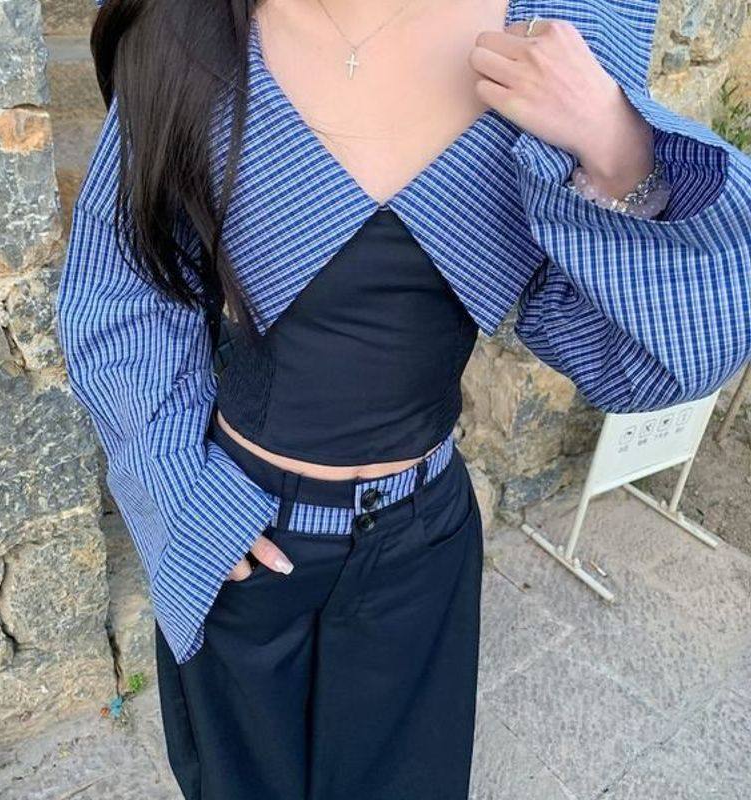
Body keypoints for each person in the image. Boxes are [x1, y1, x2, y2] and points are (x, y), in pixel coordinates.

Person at [55, 0, 751, 797]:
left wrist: (618, 148)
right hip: (235, 534)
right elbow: (120, 293)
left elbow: (666, 359)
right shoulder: (189, 25)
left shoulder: (562, 32)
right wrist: (180, 493)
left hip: (423, 546)